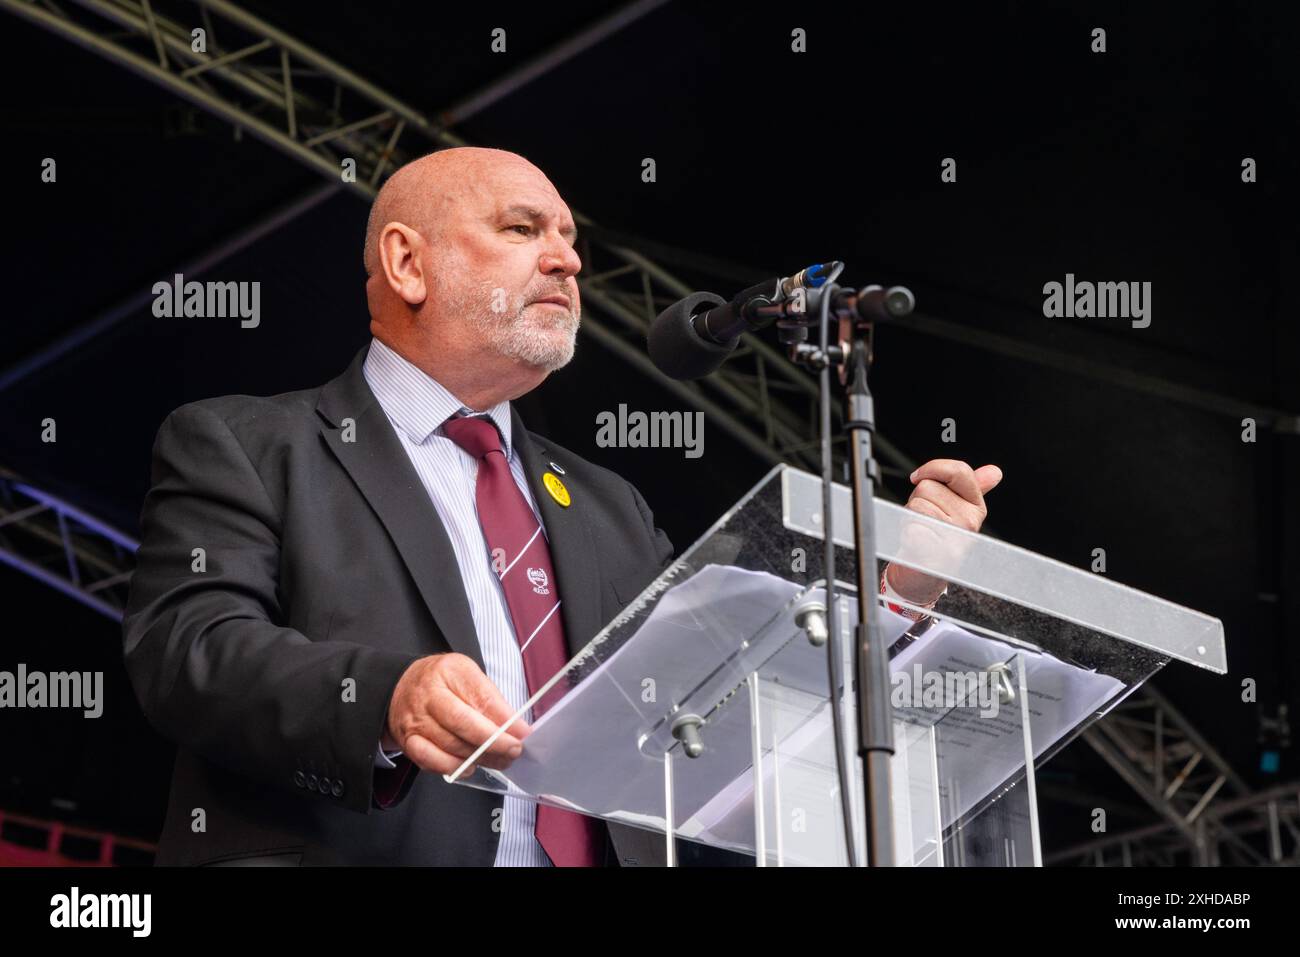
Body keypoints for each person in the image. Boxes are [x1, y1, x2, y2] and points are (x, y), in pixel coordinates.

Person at [122, 146, 1001, 866]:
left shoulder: (609, 504)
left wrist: (899, 588)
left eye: (571, 239)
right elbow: (188, 653)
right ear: (405, 261)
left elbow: (725, 699)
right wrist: (386, 694)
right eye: (522, 229)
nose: (568, 259)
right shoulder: (247, 445)